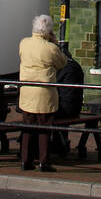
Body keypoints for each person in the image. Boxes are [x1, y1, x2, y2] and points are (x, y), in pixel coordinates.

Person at [18, 14, 67, 171]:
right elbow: (62, 63)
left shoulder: (24, 43)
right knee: (44, 128)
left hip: (27, 91)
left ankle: (25, 160)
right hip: (44, 93)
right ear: (48, 31)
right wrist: (54, 43)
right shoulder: (51, 48)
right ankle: (43, 162)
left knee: (27, 127)